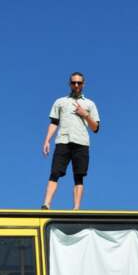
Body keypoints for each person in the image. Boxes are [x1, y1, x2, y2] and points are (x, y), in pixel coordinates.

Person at [41, 72, 100, 210]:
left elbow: (96, 128)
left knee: (79, 176)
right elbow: (54, 122)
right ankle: (46, 204)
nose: (76, 85)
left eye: (79, 83)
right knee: (55, 173)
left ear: (83, 84)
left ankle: (76, 208)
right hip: (63, 140)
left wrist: (85, 115)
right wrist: (47, 141)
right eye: (74, 82)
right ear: (70, 84)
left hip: (81, 143)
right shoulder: (60, 102)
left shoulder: (90, 104)